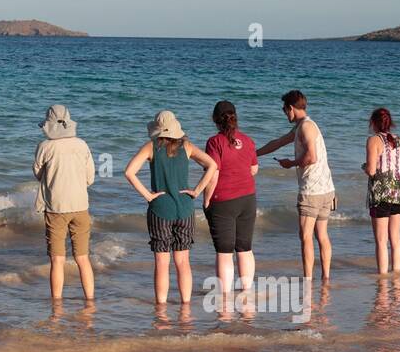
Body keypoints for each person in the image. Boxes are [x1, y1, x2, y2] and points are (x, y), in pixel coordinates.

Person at [123, 110, 217, 305]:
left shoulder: (151, 147)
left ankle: (162, 309)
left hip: (160, 210)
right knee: (183, 262)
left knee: (162, 263)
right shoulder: (187, 146)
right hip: (185, 209)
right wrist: (197, 190)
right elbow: (212, 165)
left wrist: (148, 195)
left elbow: (129, 172)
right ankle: (186, 307)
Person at [256, 90, 335, 280]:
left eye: (285, 110)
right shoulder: (304, 126)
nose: (285, 114)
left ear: (291, 108)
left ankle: (308, 279)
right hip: (327, 189)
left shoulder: (306, 127)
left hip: (312, 190)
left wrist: (290, 163)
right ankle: (325, 278)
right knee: (321, 235)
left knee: (306, 236)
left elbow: (311, 157)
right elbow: (278, 142)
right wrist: (253, 154)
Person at [33, 105, 96, 302]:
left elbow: (38, 174)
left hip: (55, 208)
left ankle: (57, 305)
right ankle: (90, 301)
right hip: (80, 206)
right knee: (83, 258)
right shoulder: (82, 145)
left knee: (57, 260)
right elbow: (90, 178)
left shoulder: (45, 147)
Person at [204, 101, 259, 295]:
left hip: (223, 199)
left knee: (225, 252)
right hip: (248, 198)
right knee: (244, 248)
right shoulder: (248, 140)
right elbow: (254, 169)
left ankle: (225, 302)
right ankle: (246, 297)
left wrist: (206, 199)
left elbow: (214, 173)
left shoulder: (214, 142)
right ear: (235, 117)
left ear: (215, 120)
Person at [363, 107, 400, 273]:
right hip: (399, 194)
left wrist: (364, 167)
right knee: (395, 238)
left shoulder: (373, 140)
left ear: (373, 123)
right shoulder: (399, 140)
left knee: (381, 241)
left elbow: (371, 170)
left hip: (380, 195)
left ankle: (382, 278)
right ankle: (396, 274)